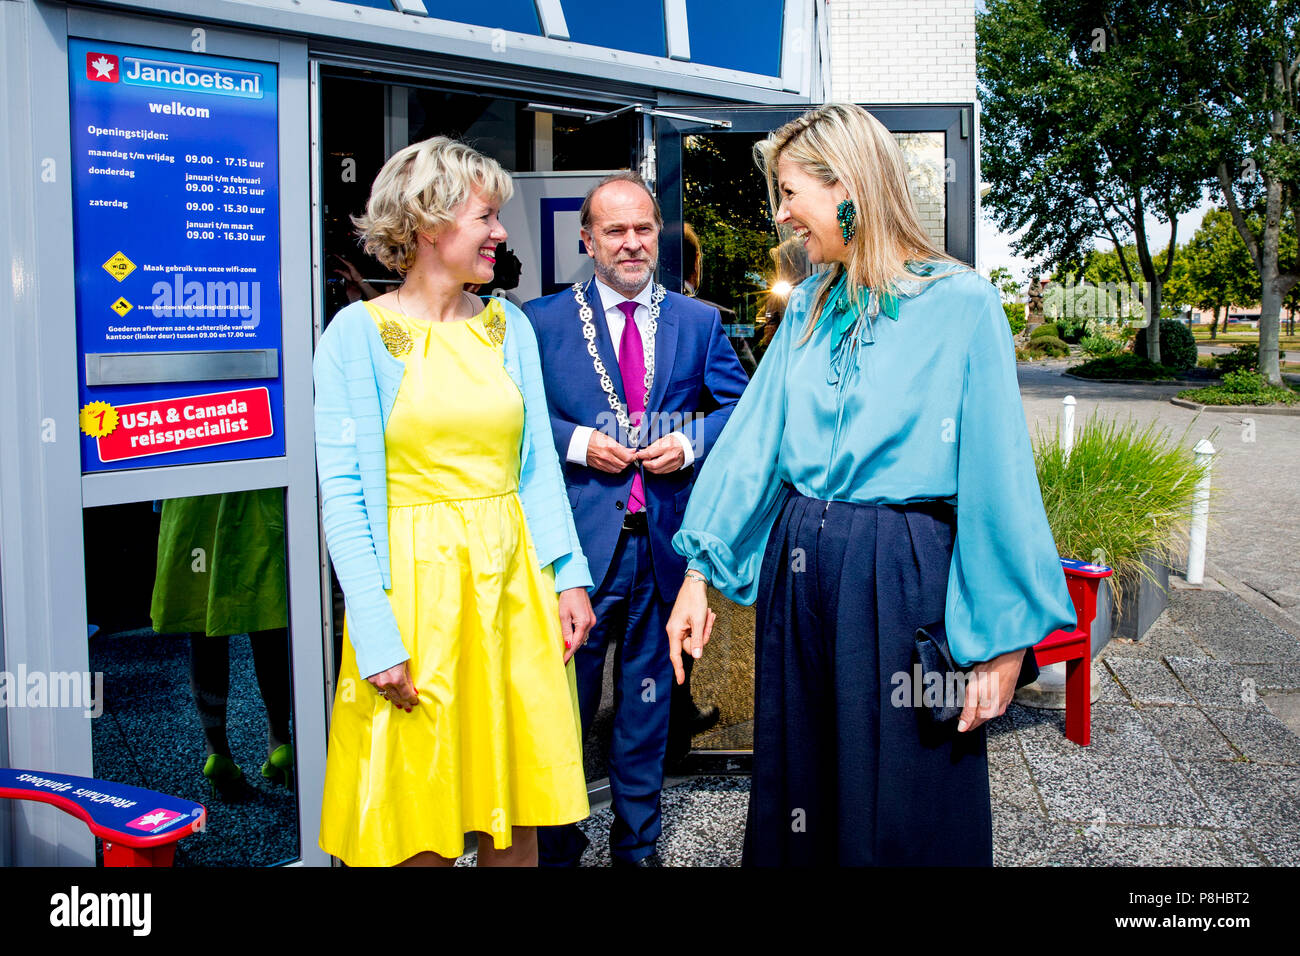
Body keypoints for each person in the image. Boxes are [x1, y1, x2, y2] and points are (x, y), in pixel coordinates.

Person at [666, 104, 1077, 866]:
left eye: (790, 193)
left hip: (902, 570)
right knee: (802, 780)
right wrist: (698, 572)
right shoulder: (810, 307)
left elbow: (997, 475)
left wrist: (1004, 643)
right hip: (802, 569)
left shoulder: (961, 303)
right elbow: (756, 441)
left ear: (849, 187)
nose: (782, 215)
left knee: (907, 790)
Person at [313, 136, 597, 867]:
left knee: (518, 818)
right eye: (487, 216)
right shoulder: (357, 336)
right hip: (413, 595)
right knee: (416, 816)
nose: (501, 233)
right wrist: (375, 637)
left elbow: (534, 466)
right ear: (431, 223)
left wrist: (567, 575)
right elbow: (343, 495)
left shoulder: (509, 328)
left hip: (512, 591)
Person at [525, 172, 748, 866]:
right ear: (587, 239)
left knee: (647, 708)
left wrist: (690, 441)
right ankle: (559, 846)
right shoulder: (537, 323)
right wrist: (575, 440)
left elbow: (741, 411)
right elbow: (517, 417)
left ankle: (638, 846)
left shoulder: (699, 321)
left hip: (663, 550)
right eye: (615, 231)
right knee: (564, 708)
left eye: (643, 229)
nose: (631, 243)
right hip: (576, 555)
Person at [149, 490, 293, 798]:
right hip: (256, 498)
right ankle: (280, 742)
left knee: (203, 632)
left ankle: (217, 753)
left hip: (194, 501)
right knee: (269, 623)